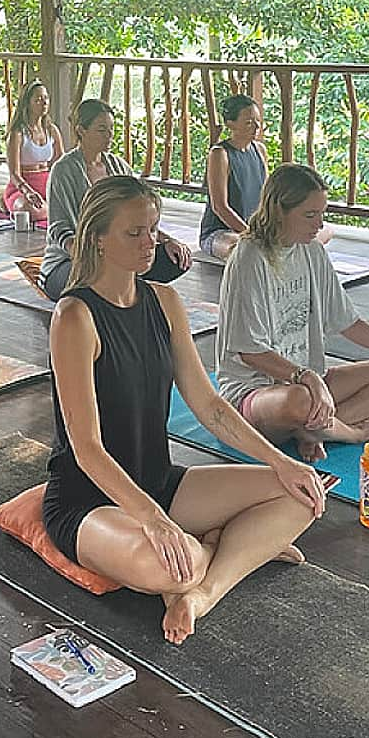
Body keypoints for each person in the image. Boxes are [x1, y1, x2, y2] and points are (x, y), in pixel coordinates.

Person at [44, 175, 323, 646]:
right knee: (175, 564)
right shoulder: (74, 317)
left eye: (153, 229)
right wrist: (154, 520)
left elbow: (210, 405)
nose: (149, 243)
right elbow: (86, 448)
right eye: (134, 233)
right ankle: (226, 549)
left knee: (303, 494)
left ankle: (202, 594)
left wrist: (281, 461)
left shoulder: (165, 301)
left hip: (158, 481)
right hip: (88, 500)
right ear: (97, 237)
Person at [215, 164, 369, 463]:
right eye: (310, 215)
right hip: (256, 395)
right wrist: (306, 376)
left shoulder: (312, 251)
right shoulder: (249, 257)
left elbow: (348, 322)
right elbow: (249, 352)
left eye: (322, 214)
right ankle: (353, 431)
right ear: (279, 211)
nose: (319, 225)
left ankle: (314, 431)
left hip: (311, 384)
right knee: (301, 401)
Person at [40, 99, 191, 301]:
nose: (109, 135)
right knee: (94, 279)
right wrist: (88, 257)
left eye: (111, 129)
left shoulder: (119, 167)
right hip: (71, 260)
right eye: (102, 129)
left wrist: (166, 240)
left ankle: (125, 283)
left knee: (175, 259)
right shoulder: (64, 170)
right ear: (81, 130)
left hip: (117, 253)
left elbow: (139, 217)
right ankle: (122, 283)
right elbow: (59, 227)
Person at [200, 94, 330, 260]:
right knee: (240, 250)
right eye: (248, 123)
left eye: (257, 121)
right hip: (222, 231)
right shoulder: (220, 154)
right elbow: (220, 206)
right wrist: (250, 235)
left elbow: (268, 196)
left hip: (258, 227)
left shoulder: (259, 150)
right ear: (230, 124)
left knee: (323, 232)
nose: (256, 127)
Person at [4, 80, 63, 223]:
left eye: (46, 98)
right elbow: (14, 174)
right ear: (27, 104)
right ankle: (54, 210)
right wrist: (28, 192)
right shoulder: (17, 133)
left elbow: (61, 164)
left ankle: (50, 208)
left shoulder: (52, 130)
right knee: (27, 210)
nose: (44, 103)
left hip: (48, 187)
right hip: (22, 189)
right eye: (38, 99)